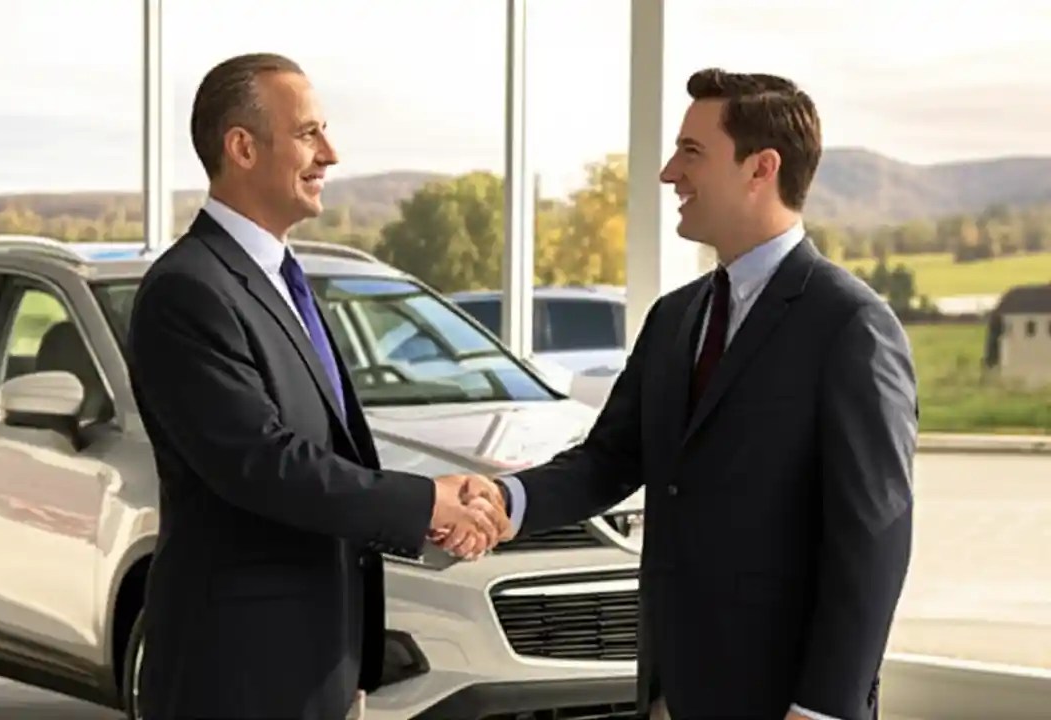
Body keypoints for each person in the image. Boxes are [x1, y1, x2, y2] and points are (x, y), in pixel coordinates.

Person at [470, 69, 918, 720]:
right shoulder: (675, 317)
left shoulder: (850, 325)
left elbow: (873, 539)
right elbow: (608, 460)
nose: (668, 173)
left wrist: (823, 707)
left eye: (692, 152)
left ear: (760, 168)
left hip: (782, 700)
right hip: (671, 690)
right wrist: (504, 500)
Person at [126, 53, 508, 720]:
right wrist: (426, 503)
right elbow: (264, 464)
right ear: (242, 147)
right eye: (308, 133)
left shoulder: (280, 278)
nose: (330, 153)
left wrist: (434, 512)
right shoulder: (188, 290)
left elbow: (327, 457)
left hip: (314, 669)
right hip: (236, 677)